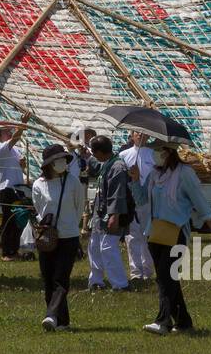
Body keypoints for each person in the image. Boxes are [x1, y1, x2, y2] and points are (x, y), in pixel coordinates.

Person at [139, 140, 211, 334]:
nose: (155, 155)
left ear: (168, 152)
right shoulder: (154, 174)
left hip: (176, 232)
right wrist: (135, 180)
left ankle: (163, 321)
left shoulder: (185, 173)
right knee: (167, 278)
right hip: (155, 231)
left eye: (158, 151)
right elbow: (141, 199)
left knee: (167, 276)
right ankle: (184, 322)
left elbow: (199, 200)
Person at [32, 143, 84, 331]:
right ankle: (62, 321)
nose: (63, 163)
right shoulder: (39, 184)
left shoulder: (72, 181)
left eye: (64, 159)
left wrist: (70, 225)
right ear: (49, 164)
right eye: (58, 160)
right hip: (47, 236)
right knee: (48, 278)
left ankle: (50, 315)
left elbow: (80, 206)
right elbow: (39, 209)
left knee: (61, 278)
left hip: (68, 236)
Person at [84, 135, 131, 291]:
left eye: (93, 152)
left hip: (112, 214)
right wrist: (84, 153)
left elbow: (117, 195)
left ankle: (120, 284)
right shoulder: (107, 163)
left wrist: (114, 216)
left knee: (108, 248)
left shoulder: (117, 167)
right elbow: (96, 166)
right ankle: (96, 281)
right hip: (100, 212)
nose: (93, 155)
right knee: (94, 246)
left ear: (100, 152)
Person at [121, 132, 156, 285]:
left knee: (148, 236)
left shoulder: (153, 155)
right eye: (137, 133)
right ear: (132, 136)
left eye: (143, 134)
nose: (140, 136)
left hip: (149, 200)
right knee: (132, 237)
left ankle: (148, 270)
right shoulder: (124, 155)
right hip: (131, 199)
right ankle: (136, 272)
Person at [0, 125, 27, 260]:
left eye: (9, 131)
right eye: (5, 132)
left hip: (18, 187)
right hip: (7, 188)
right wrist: (22, 125)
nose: (8, 133)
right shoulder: (1, 148)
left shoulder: (15, 150)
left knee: (18, 220)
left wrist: (22, 165)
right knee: (9, 221)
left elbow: (20, 166)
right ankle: (7, 252)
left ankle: (14, 250)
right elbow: (15, 138)